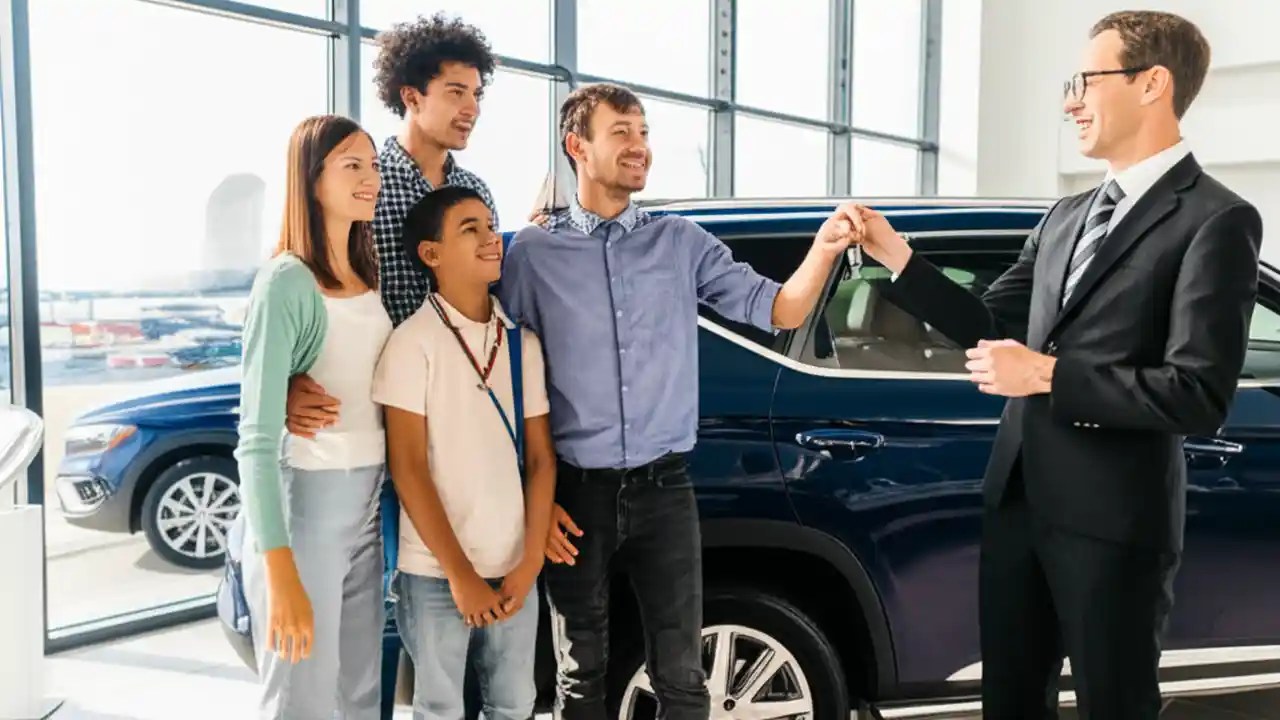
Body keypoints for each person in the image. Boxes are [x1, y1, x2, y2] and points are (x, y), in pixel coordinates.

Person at [845, 11, 1263, 720]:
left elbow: (1197, 394)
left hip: (1116, 517)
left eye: (1085, 80)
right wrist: (898, 256)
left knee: (1115, 704)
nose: (1070, 100)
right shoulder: (1065, 216)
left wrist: (1045, 376)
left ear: (1152, 84)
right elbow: (989, 324)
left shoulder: (1216, 221)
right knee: (1008, 700)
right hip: (1017, 501)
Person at [499, 82, 859, 719]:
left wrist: (825, 248)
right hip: (575, 495)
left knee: (682, 675)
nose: (639, 146)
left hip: (665, 490)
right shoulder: (531, 254)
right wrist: (536, 500)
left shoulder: (680, 243)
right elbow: (508, 382)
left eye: (643, 132)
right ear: (576, 145)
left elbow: (778, 308)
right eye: (621, 133)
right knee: (579, 675)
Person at [372, 185, 556, 720]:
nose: (489, 238)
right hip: (433, 571)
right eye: (468, 229)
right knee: (439, 706)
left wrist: (530, 562)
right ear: (431, 254)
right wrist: (460, 575)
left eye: (490, 226)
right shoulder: (412, 343)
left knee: (515, 703)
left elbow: (542, 461)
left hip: (514, 565)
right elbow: (407, 468)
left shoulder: (522, 344)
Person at [234, 114, 391, 719]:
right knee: (301, 700)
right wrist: (280, 570)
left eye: (373, 164)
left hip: (365, 512)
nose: (370, 178)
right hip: (305, 517)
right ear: (311, 178)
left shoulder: (364, 271)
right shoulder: (285, 282)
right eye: (353, 165)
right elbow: (254, 440)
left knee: (358, 694)